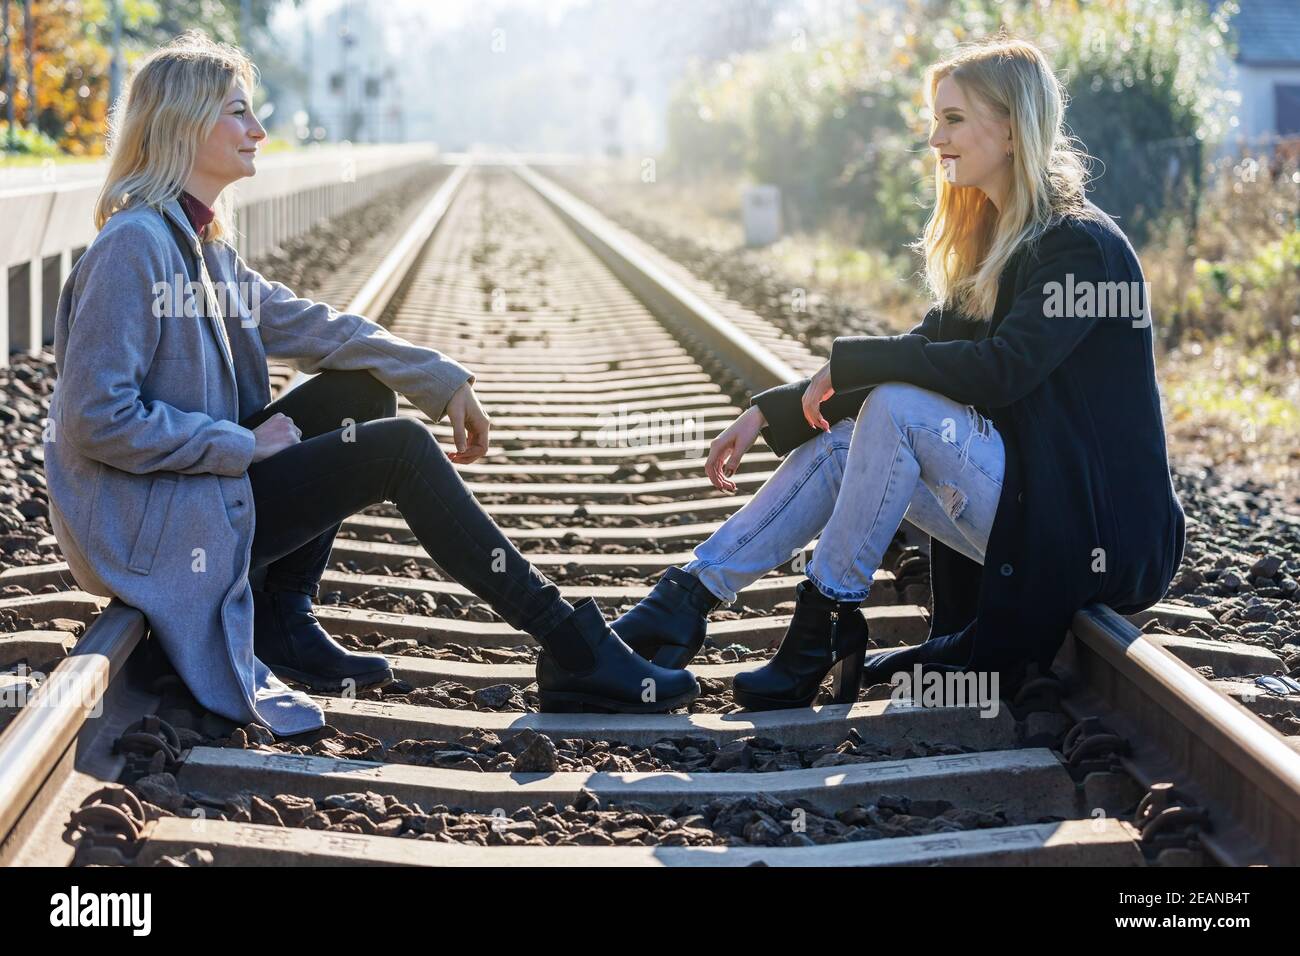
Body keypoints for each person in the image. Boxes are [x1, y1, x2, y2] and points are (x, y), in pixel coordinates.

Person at [43, 31, 697, 736]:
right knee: (401, 450)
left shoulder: (201, 247)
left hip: (191, 495)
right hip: (151, 527)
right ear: (182, 122)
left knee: (362, 392)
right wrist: (237, 443)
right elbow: (95, 418)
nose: (258, 131)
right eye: (239, 113)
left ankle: (283, 621)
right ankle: (571, 644)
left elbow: (318, 327)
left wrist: (439, 379)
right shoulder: (134, 246)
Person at [614, 36, 1186, 709]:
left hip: (1099, 531)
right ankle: (688, 596)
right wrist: (776, 411)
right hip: (1036, 498)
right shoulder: (998, 240)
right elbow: (927, 344)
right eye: (933, 119)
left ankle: (824, 624)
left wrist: (854, 364)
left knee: (894, 406)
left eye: (952, 119)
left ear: (1008, 128)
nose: (934, 137)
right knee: (847, 436)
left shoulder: (1078, 248)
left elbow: (999, 372)